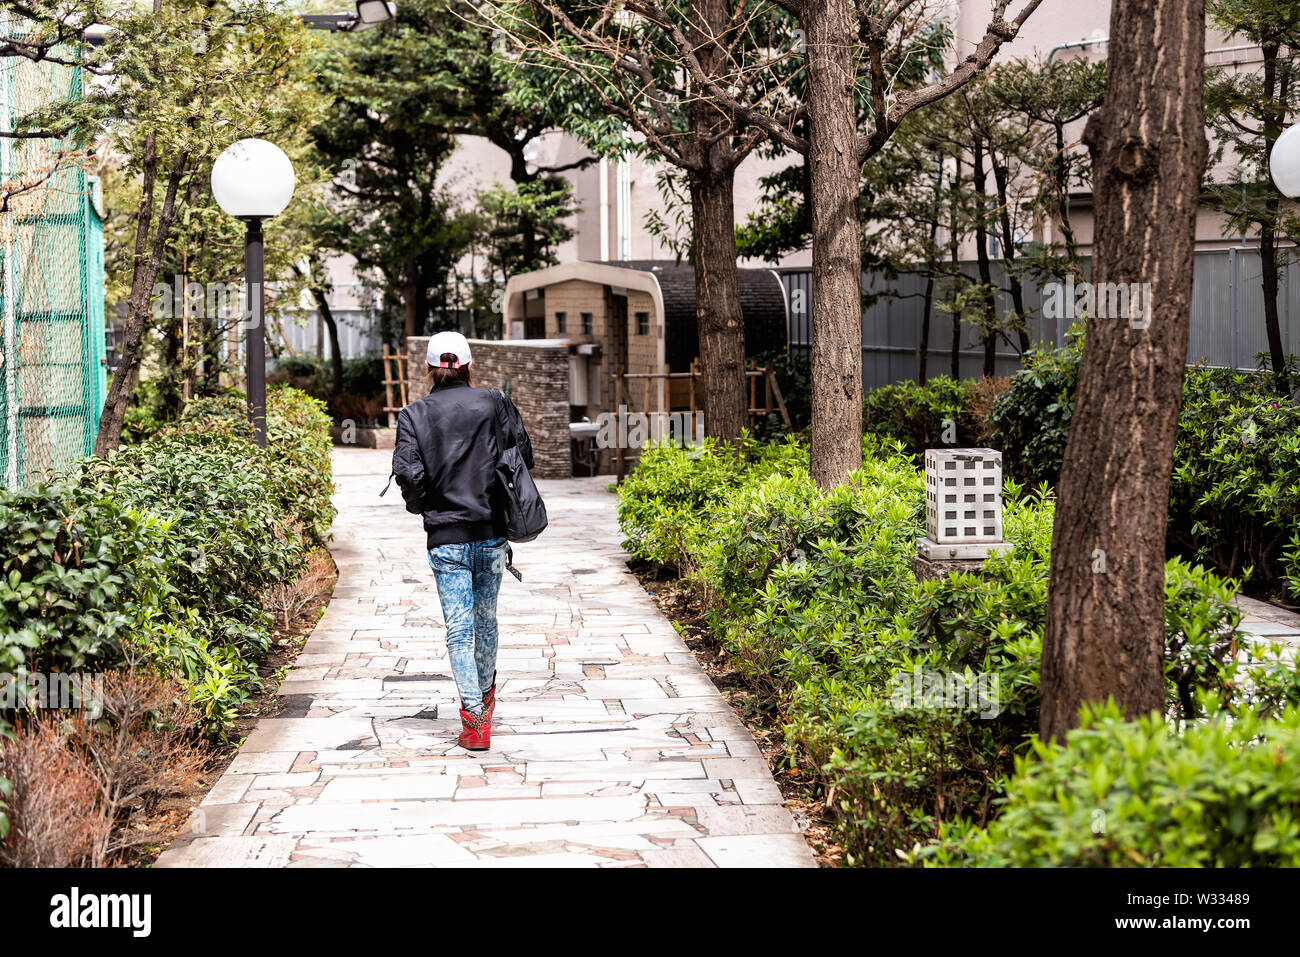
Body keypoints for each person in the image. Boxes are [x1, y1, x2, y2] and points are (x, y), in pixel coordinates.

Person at [391, 331, 534, 751]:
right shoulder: (495, 402)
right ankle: (485, 703)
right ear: (469, 365)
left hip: (446, 536)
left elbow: (408, 475)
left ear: (430, 369)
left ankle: (474, 722)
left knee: (459, 628)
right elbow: (522, 456)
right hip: (491, 532)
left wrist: (425, 507)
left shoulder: (413, 414)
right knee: (485, 620)